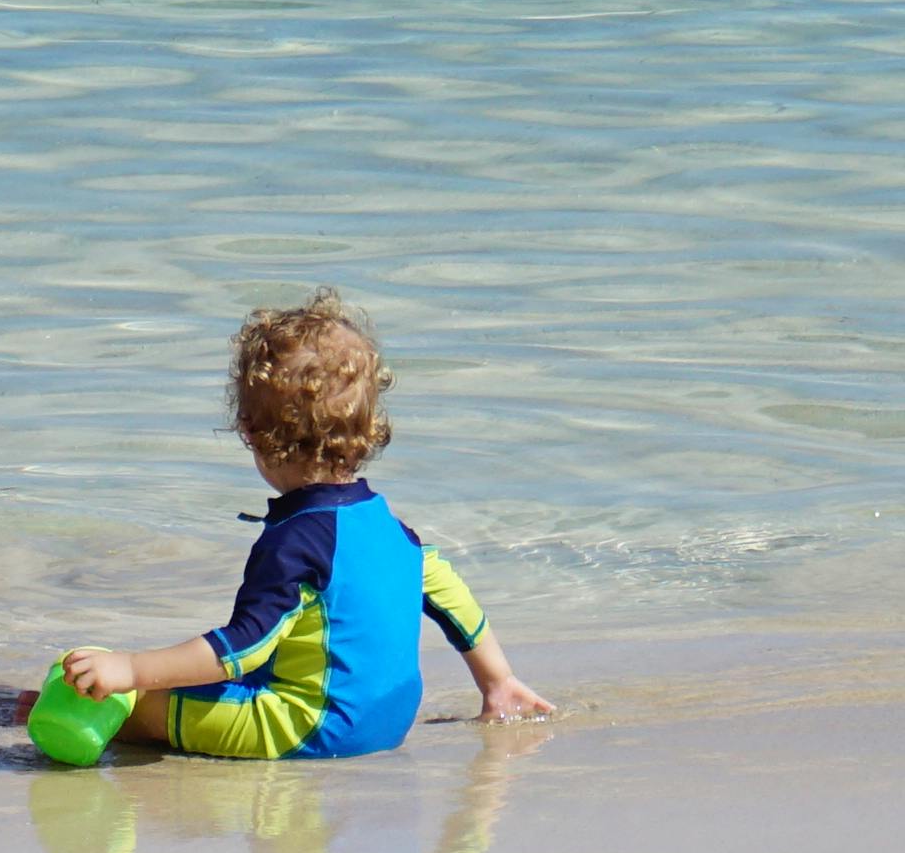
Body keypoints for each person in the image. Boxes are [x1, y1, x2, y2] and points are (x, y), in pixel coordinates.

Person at [52, 293, 553, 761]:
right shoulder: (388, 526)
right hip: (390, 720)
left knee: (140, 701)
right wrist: (498, 681)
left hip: (312, 727)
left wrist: (132, 670)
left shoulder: (293, 541)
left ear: (250, 431)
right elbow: (452, 599)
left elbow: (244, 647)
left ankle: (71, 716)